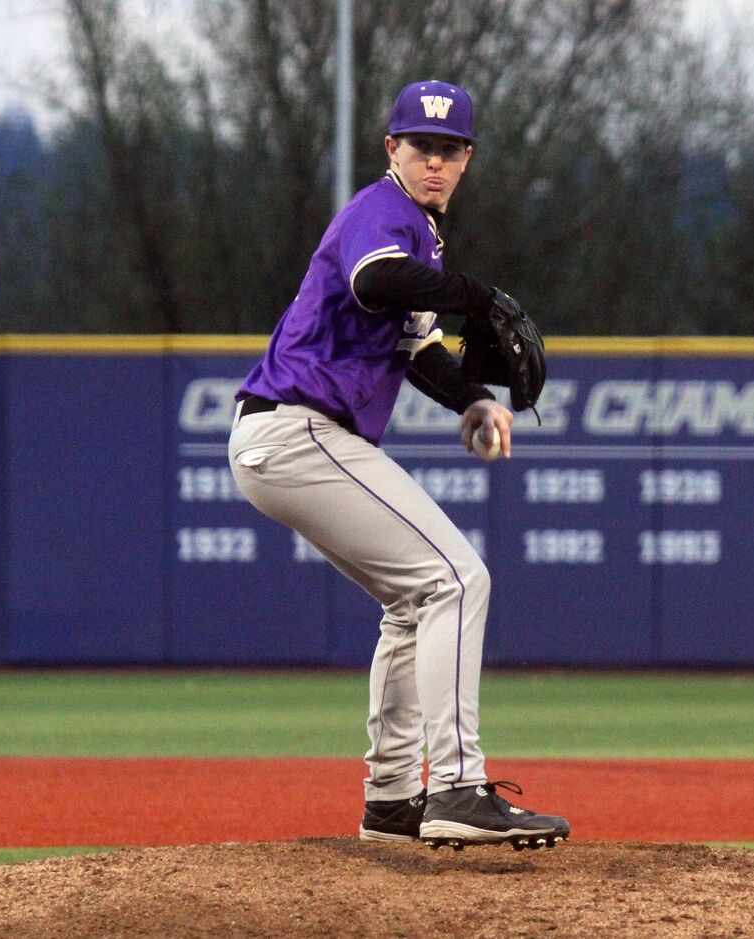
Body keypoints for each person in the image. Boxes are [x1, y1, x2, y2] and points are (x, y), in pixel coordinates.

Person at [227, 80, 569, 848]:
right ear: (393, 149)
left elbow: (413, 345)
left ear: (468, 158)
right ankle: (456, 787)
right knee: (457, 578)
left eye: (450, 150)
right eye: (422, 147)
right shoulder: (382, 213)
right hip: (296, 429)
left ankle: (390, 800)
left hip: (289, 436)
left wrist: (471, 399)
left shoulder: (419, 234)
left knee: (416, 601)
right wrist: (476, 296)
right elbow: (373, 279)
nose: (435, 162)